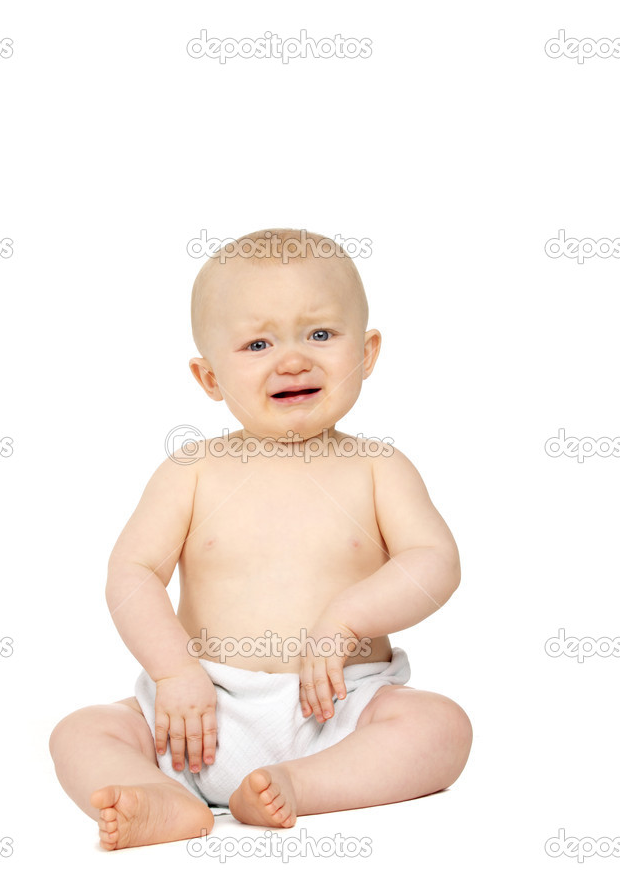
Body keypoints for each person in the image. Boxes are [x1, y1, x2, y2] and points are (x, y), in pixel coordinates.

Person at [49, 228, 472, 850]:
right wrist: (174, 672)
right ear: (210, 377)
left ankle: (299, 785)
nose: (293, 360)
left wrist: (347, 618)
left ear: (368, 353)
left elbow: (435, 562)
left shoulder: (379, 467)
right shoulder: (191, 471)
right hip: (199, 712)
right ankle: (162, 798)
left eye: (320, 334)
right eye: (257, 343)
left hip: (341, 709)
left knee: (441, 725)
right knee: (82, 730)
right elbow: (132, 573)